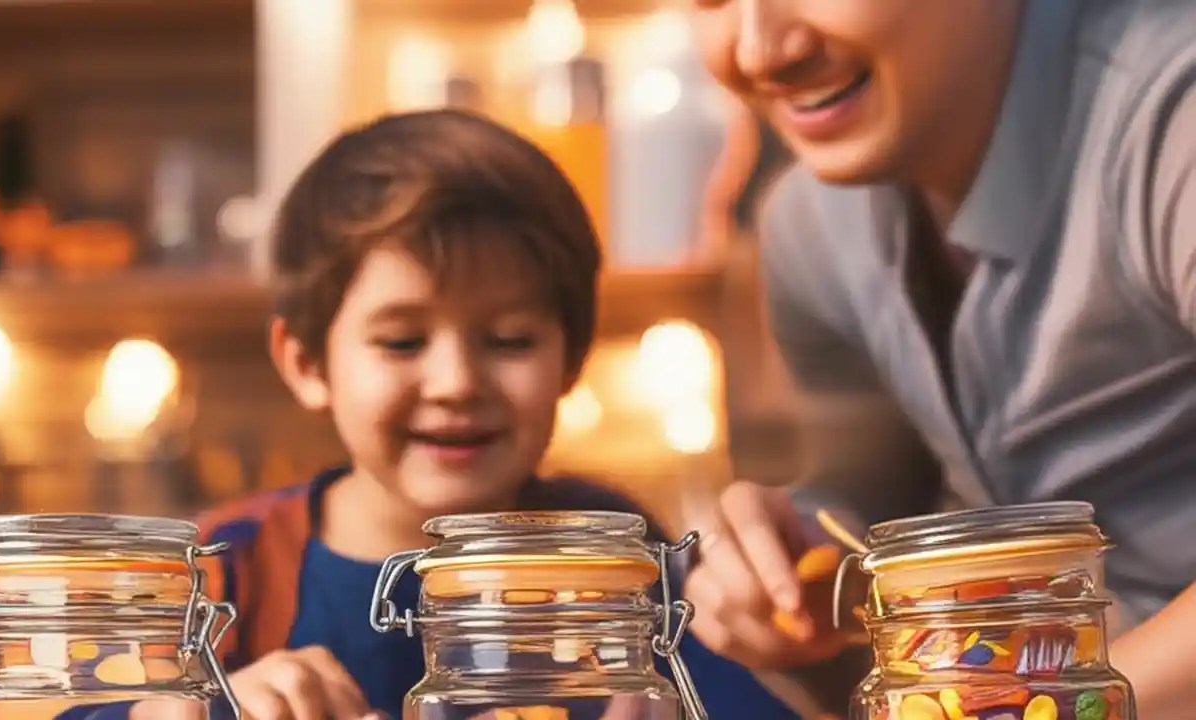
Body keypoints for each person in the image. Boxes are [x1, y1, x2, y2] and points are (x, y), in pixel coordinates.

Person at [61, 110, 800, 720]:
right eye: (402, 341)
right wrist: (195, 710)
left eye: (509, 340)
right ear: (308, 363)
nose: (455, 382)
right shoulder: (230, 568)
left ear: (569, 358)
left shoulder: (616, 560)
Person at [682, 1, 1196, 718]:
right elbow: (876, 487)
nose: (762, 48)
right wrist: (793, 552)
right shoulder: (807, 225)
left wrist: (1044, 706)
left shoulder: (1174, 118)